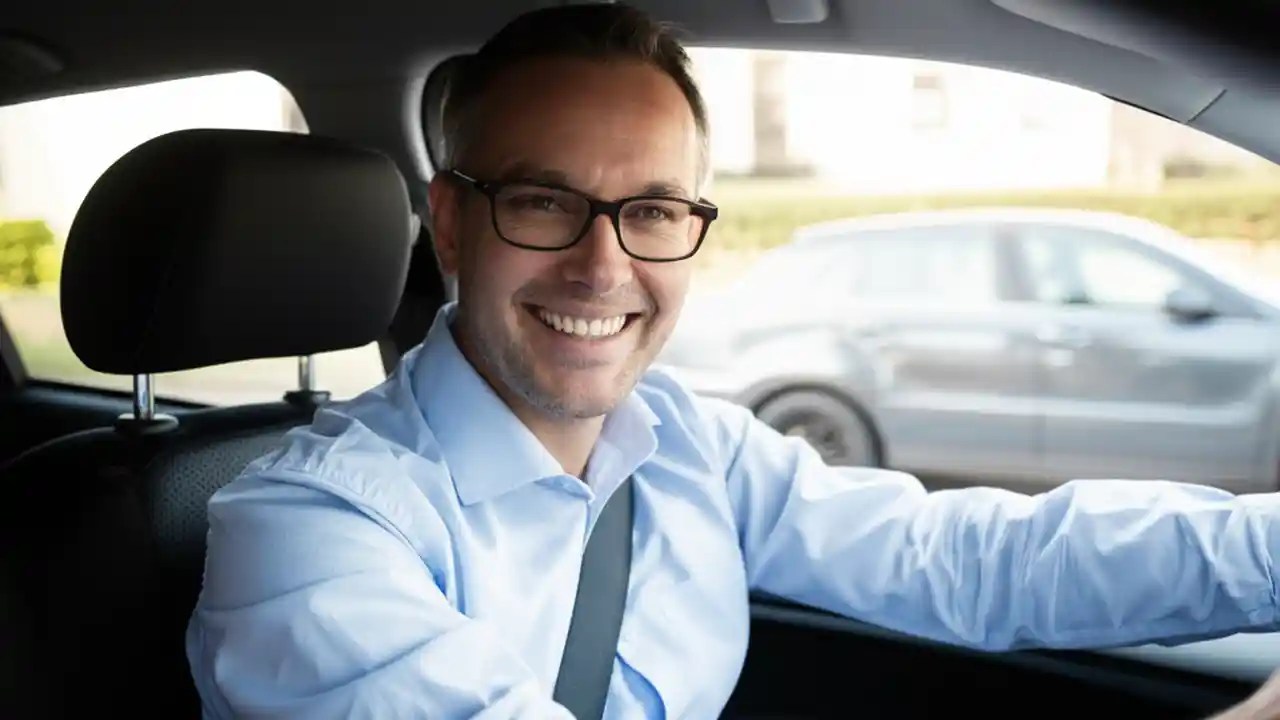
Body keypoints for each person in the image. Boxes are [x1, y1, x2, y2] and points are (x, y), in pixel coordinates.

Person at [185, 3, 1280, 718]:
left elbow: (964, 558)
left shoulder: (682, 445)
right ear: (453, 226)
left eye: (653, 211)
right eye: (541, 203)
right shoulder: (307, 535)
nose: (601, 267)